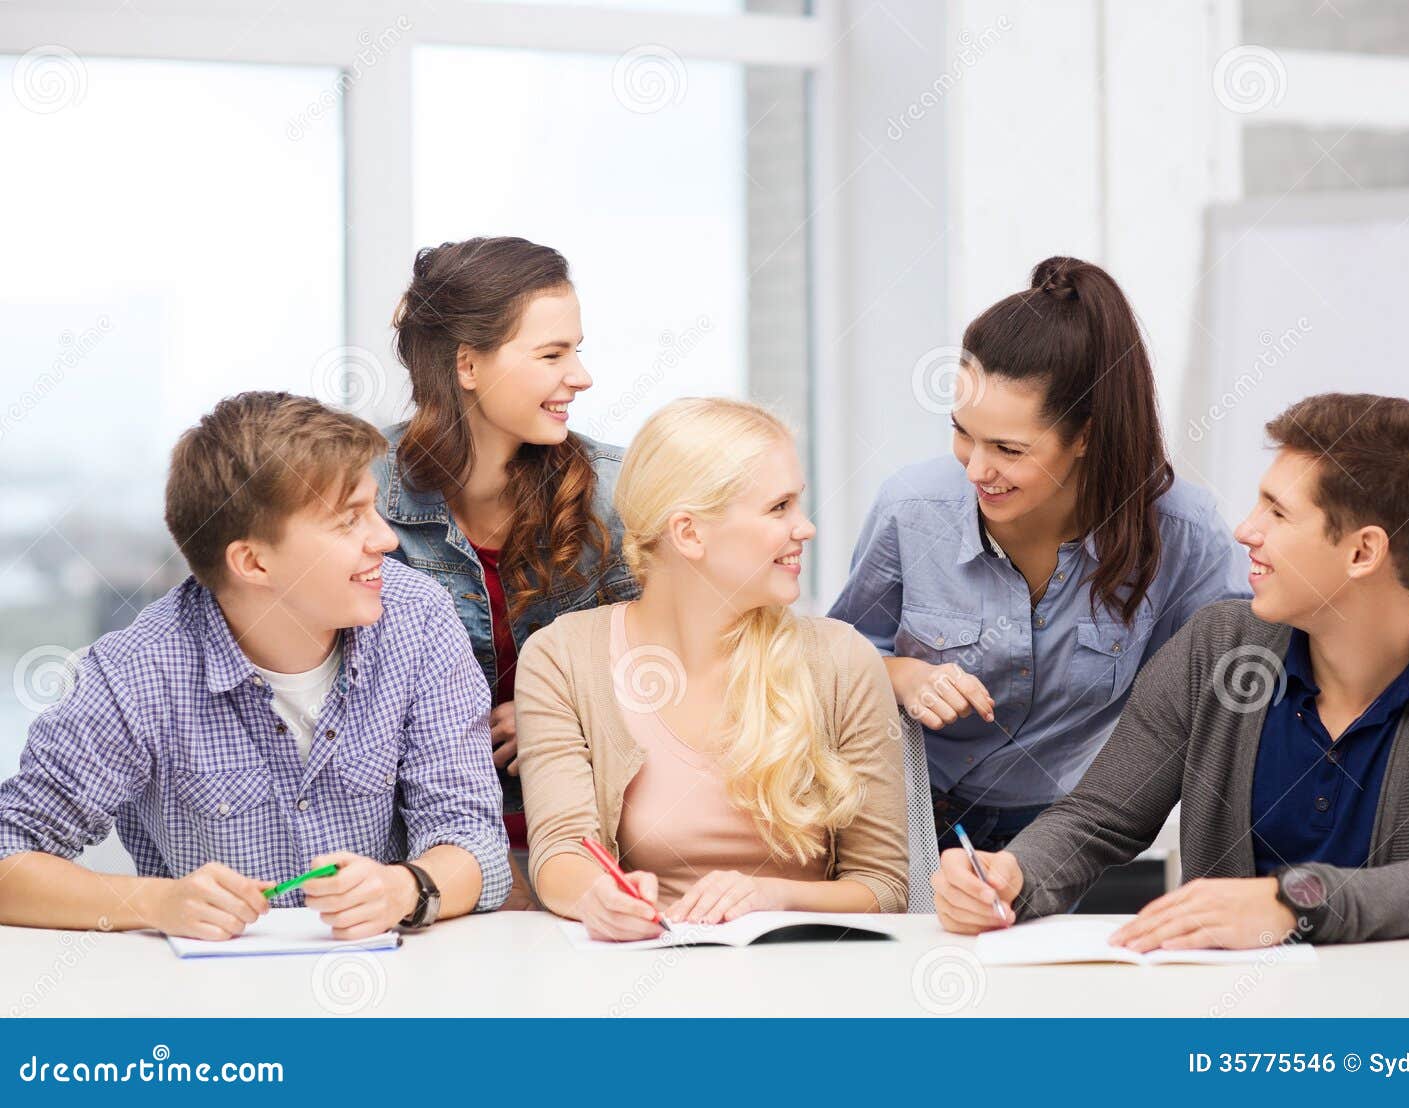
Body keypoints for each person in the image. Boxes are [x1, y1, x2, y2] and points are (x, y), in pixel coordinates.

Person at [931, 393, 1409, 1017]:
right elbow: (1100, 818)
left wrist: (1292, 902)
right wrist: (1014, 873)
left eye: (1278, 513)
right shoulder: (1218, 650)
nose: (1245, 530)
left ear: (1363, 552)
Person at [0, 393, 510, 939]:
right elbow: (11, 858)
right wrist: (158, 902)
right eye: (347, 521)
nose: (385, 538)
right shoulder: (137, 672)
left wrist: (406, 888)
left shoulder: (419, 619)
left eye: (374, 508)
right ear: (252, 562)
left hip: (385, 989)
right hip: (210, 1002)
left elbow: (473, 837)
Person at [830, 256, 1247, 853]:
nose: (977, 468)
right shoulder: (911, 507)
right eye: (962, 432)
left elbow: (1218, 699)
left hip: (1064, 833)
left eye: (1008, 448)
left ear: (1086, 435)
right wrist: (905, 675)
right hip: (905, 814)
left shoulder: (1183, 531)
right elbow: (838, 661)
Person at [517, 398, 908, 940]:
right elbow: (561, 852)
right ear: (690, 533)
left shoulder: (842, 660)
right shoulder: (561, 659)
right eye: (779, 508)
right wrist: (597, 899)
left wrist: (773, 898)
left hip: (808, 977)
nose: (805, 528)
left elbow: (883, 888)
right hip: (641, 970)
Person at [376, 237, 636, 907]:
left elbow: (694, 663)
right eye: (552, 355)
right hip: (421, 860)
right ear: (467, 364)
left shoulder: (618, 491)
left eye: (577, 350)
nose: (580, 376)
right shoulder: (363, 497)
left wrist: (568, 707)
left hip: (600, 853)